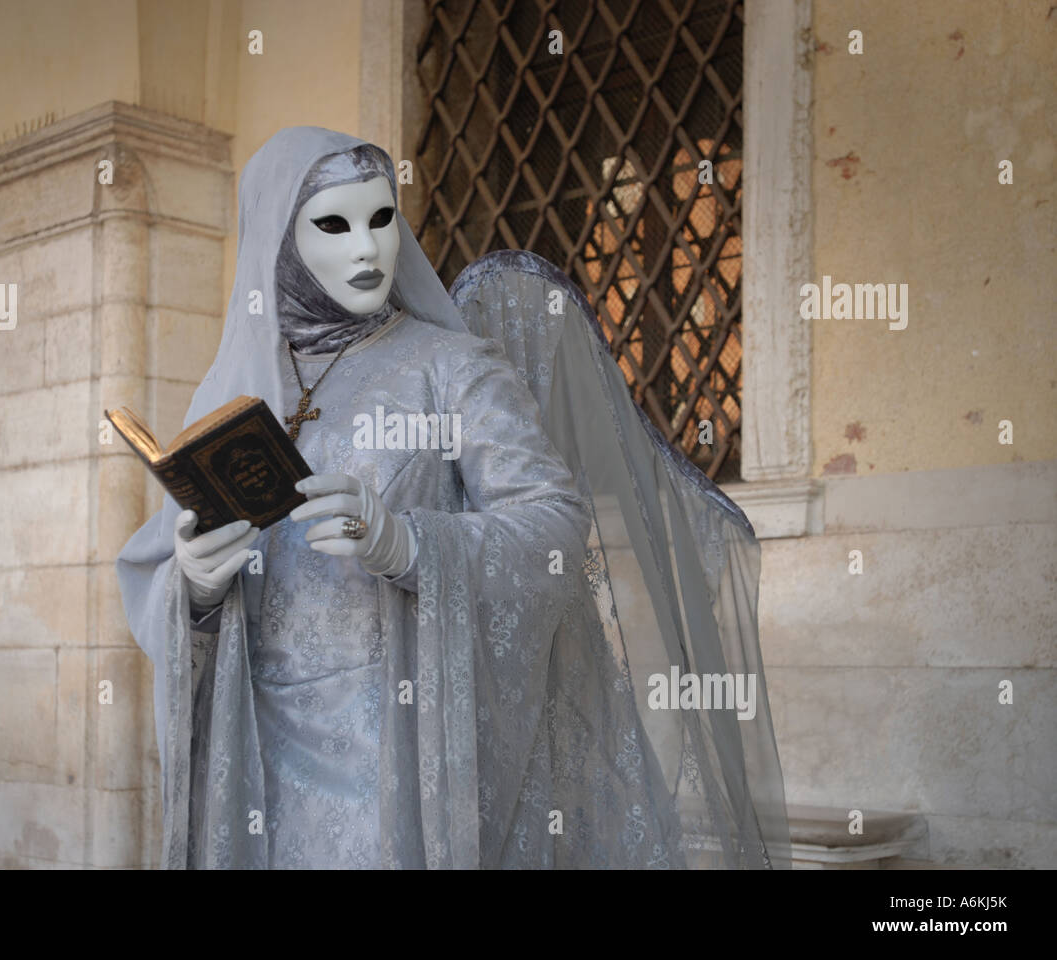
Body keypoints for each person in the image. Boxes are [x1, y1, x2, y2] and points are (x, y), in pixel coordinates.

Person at [116, 126, 790, 869]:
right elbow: (175, 576)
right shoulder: (238, 389)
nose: (368, 248)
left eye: (382, 218)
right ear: (276, 240)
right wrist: (198, 587)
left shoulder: (451, 369)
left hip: (397, 759)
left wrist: (409, 544)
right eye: (334, 225)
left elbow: (555, 524)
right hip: (252, 760)